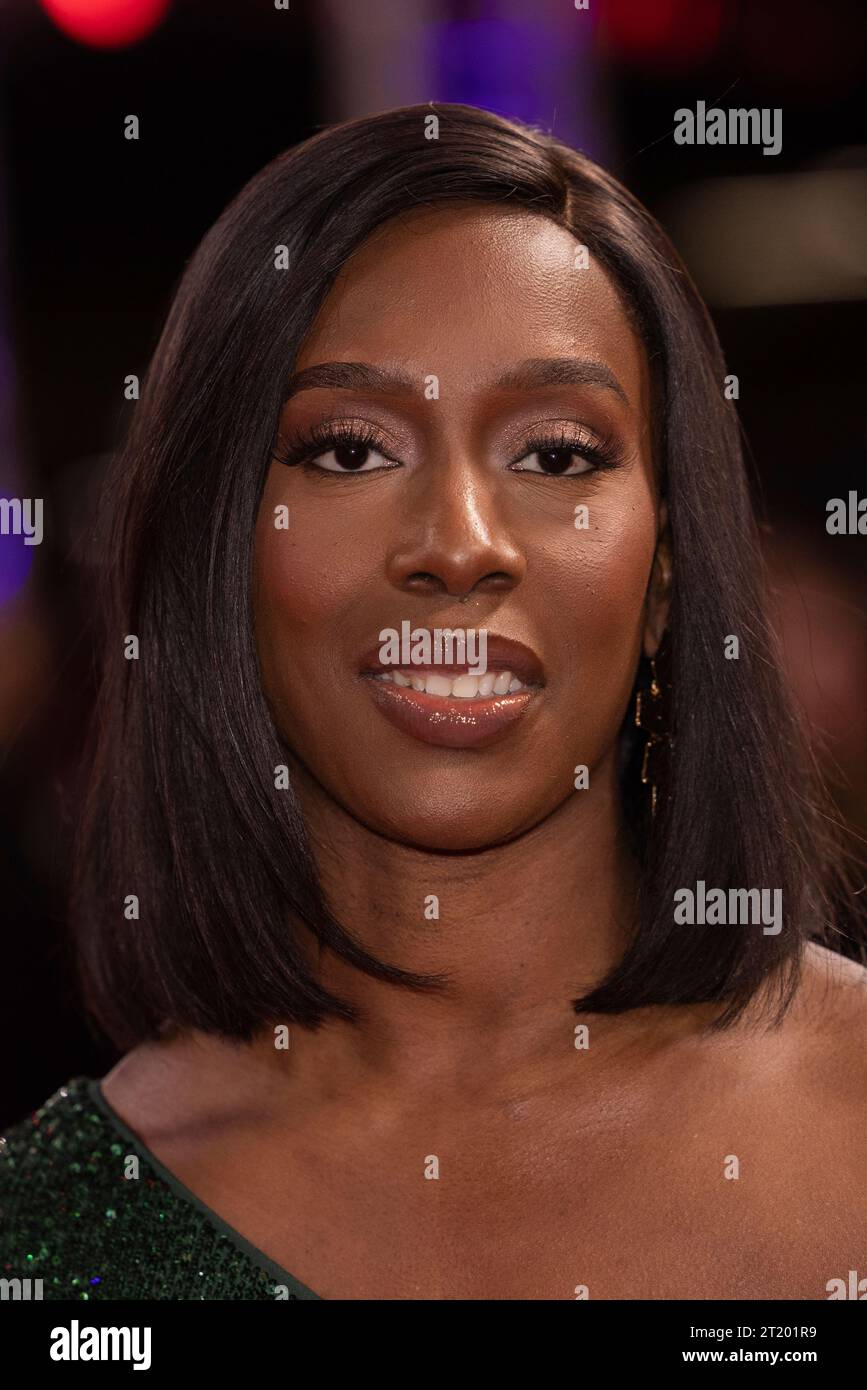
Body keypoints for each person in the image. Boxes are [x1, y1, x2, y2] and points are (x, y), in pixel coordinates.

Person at [2, 103, 865, 1301]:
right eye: (350, 450)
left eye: (558, 454)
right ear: (221, 559)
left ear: (666, 574)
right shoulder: (58, 1239)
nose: (459, 545)